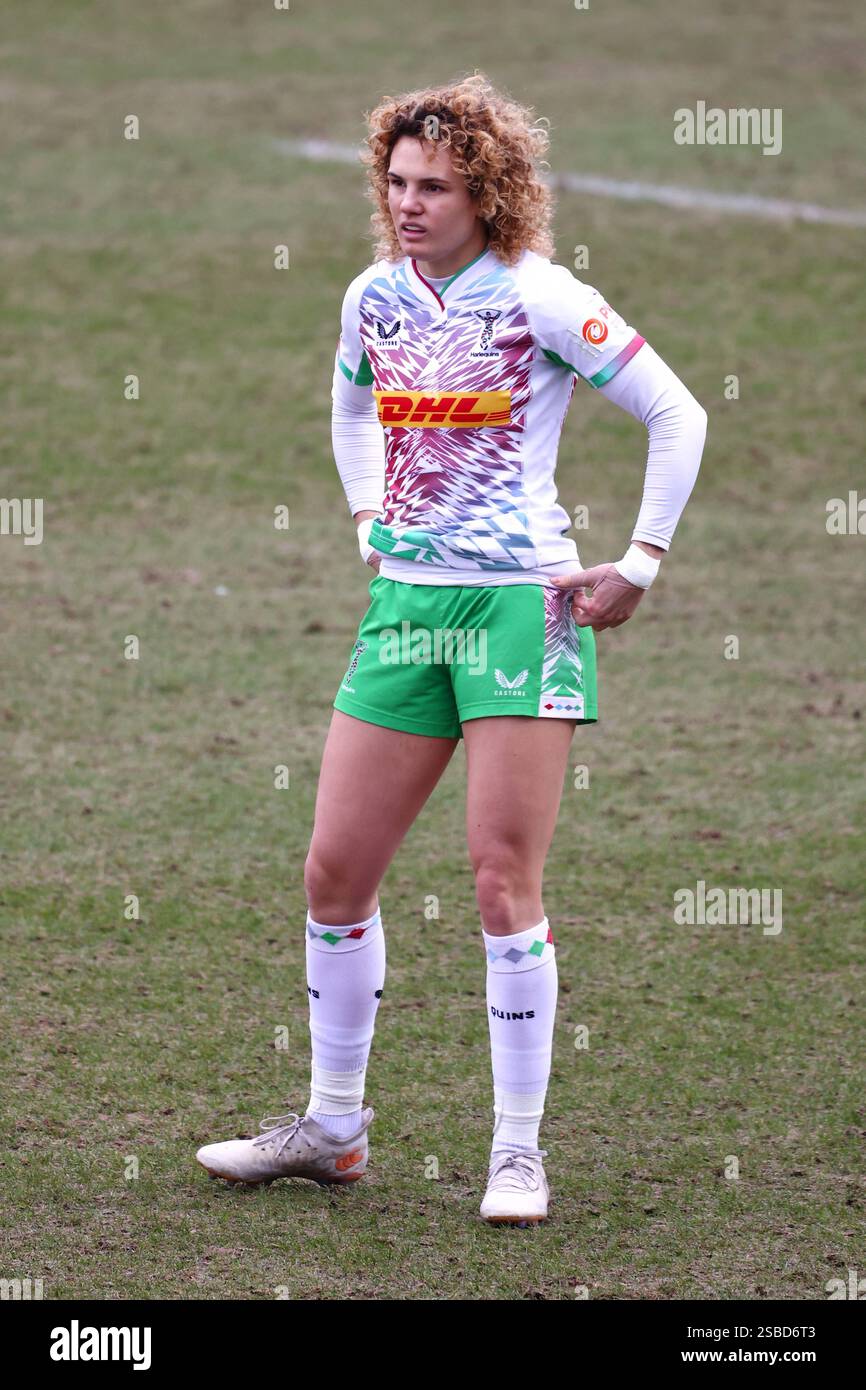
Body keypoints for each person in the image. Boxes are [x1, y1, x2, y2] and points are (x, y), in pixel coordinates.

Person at [196, 72, 707, 1225]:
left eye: (435, 184)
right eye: (397, 181)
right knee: (333, 873)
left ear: (487, 192)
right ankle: (332, 1128)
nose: (411, 201)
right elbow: (350, 407)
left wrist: (637, 562)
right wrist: (367, 516)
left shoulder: (538, 296)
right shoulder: (373, 296)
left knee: (497, 880)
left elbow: (679, 411)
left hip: (519, 613)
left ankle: (516, 1155)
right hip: (405, 614)